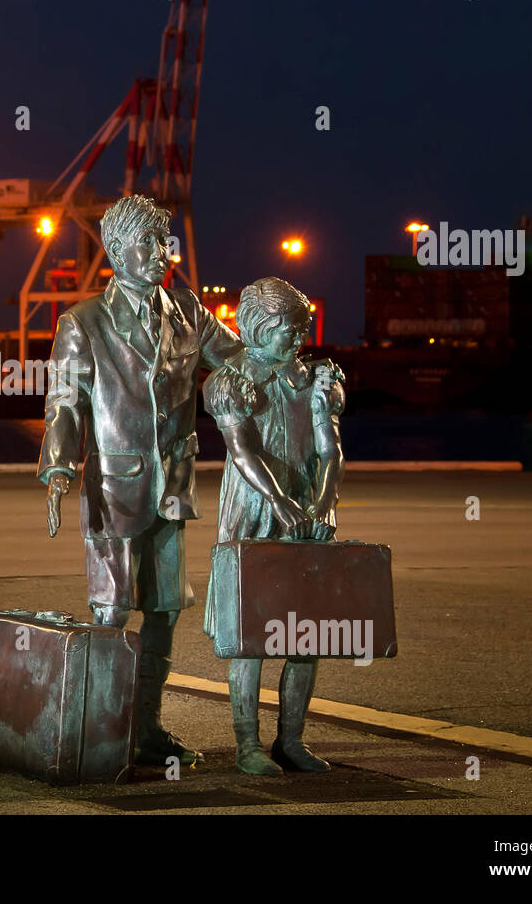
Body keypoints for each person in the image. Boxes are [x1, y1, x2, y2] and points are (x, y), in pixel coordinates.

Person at [38, 194, 242, 766]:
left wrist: (296, 365)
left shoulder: (190, 312)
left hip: (173, 485)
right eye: (148, 242)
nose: (161, 253)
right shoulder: (84, 322)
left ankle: (146, 727)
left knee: (165, 608)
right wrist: (57, 465)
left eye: (163, 241)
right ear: (117, 250)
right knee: (111, 608)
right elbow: (66, 401)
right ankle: (105, 728)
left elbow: (241, 359)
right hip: (115, 486)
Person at [202, 276, 346, 774]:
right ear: (261, 326)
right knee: (252, 635)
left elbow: (331, 450)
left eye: (302, 329)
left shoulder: (317, 380)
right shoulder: (229, 381)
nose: (298, 339)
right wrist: (278, 498)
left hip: (303, 510)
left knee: (306, 633)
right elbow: (241, 450)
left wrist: (324, 501)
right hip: (254, 509)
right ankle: (248, 745)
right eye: (289, 329)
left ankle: (292, 740)